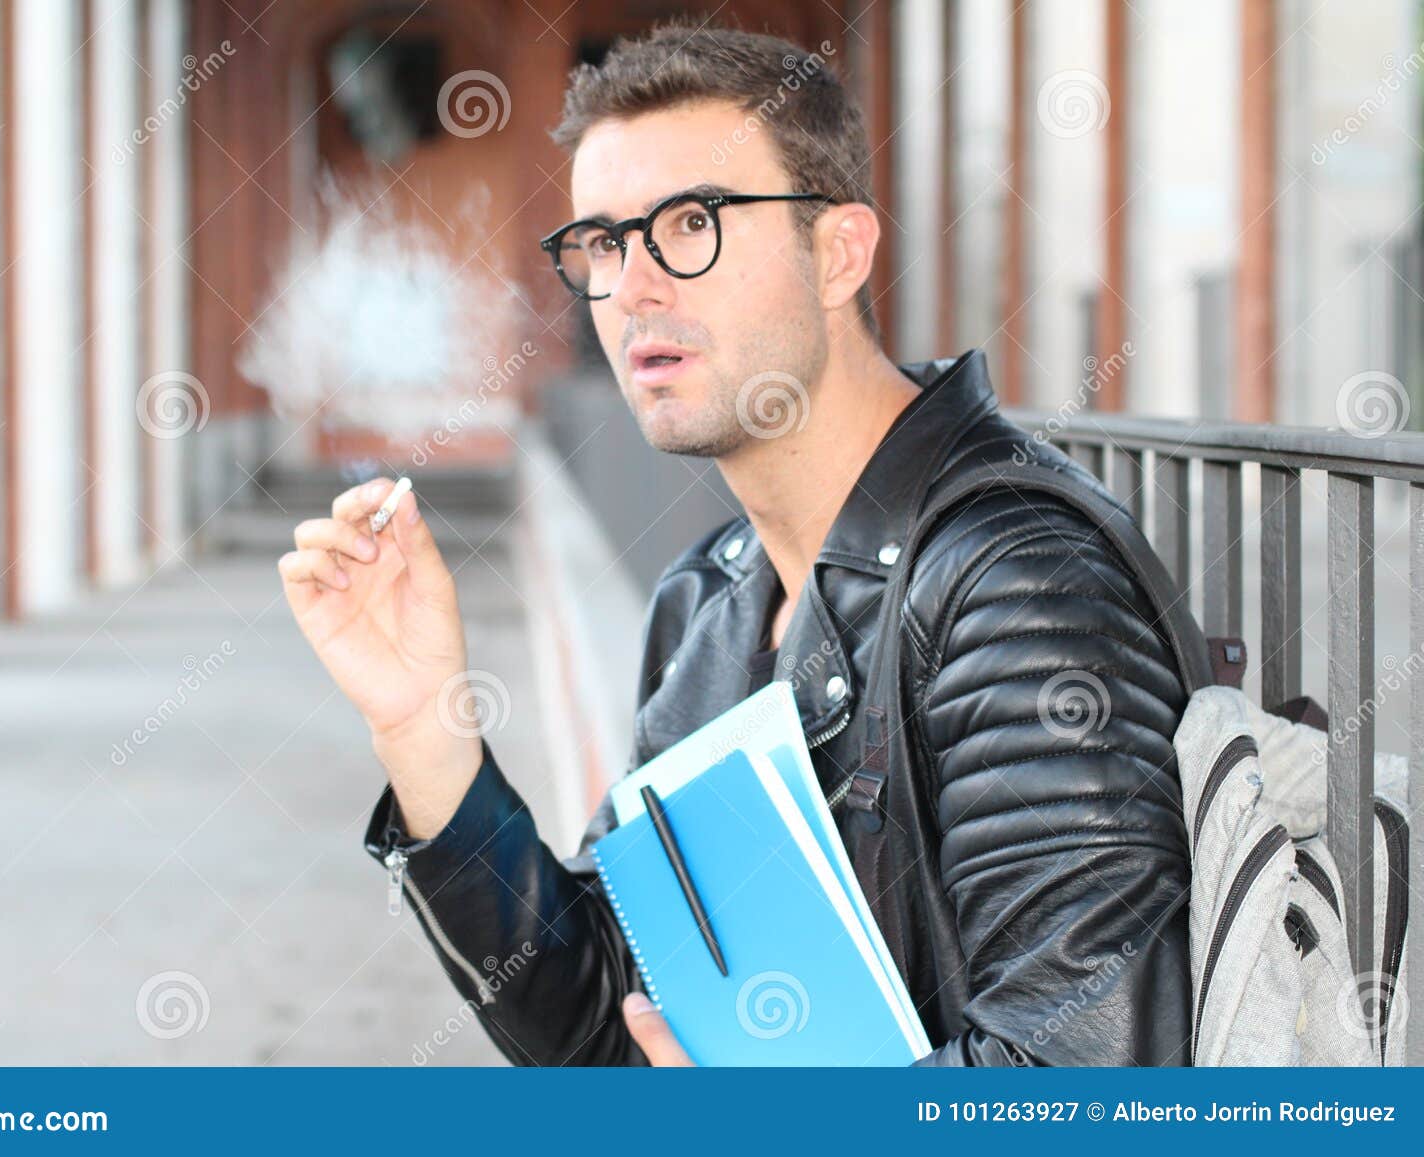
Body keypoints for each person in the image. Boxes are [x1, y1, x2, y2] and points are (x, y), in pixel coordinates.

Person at [278, 22, 1194, 1066]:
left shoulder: (1017, 585)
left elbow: (1089, 1081)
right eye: (605, 243)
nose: (633, 287)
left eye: (691, 224)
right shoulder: (710, 601)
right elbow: (606, 1013)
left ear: (838, 253)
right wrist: (423, 731)